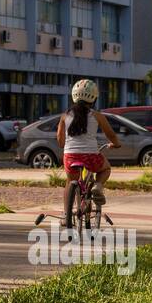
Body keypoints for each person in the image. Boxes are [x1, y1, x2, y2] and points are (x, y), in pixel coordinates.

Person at [56, 79, 120, 224]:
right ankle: (98, 185)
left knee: (70, 182)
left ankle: (66, 216)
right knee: (106, 168)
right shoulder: (97, 116)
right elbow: (111, 135)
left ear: (74, 96)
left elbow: (60, 141)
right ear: (94, 98)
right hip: (91, 157)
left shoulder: (65, 116)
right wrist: (116, 144)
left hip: (70, 158)